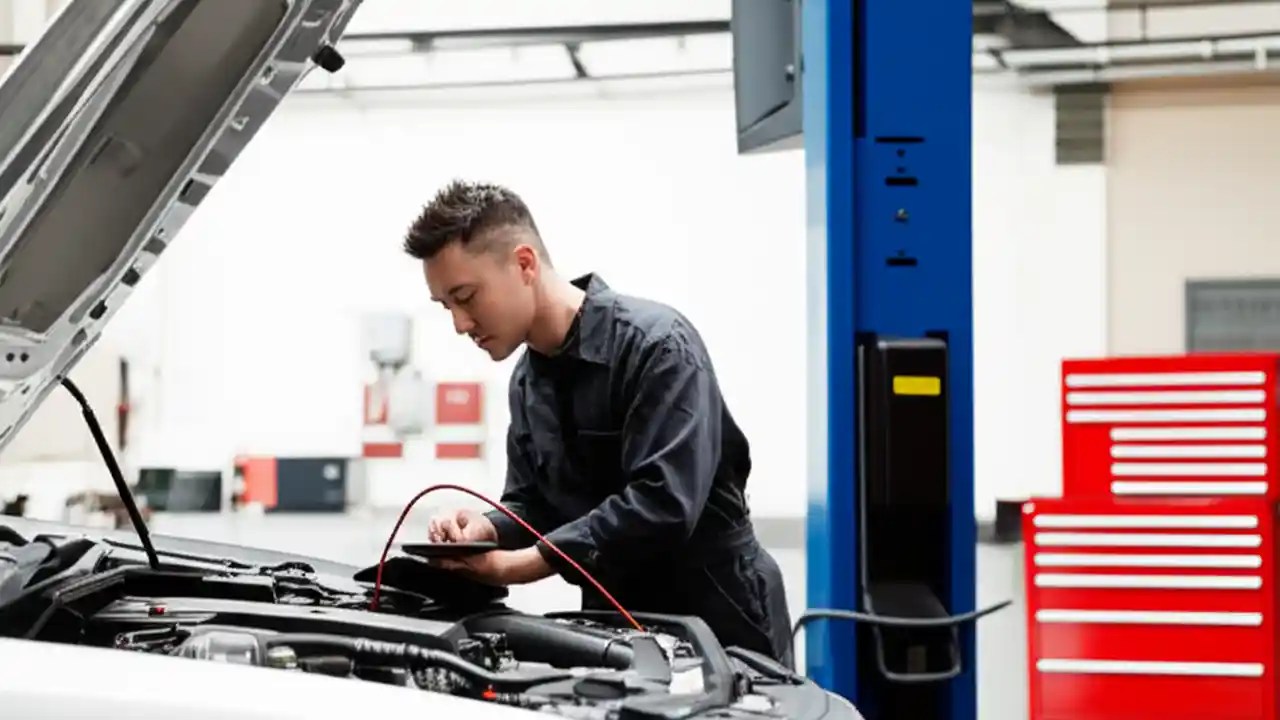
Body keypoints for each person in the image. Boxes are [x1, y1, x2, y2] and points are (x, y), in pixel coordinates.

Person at [402, 179, 793, 668]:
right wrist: (487, 528)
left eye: (467, 297)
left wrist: (523, 565)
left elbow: (663, 503)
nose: (460, 324)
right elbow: (532, 503)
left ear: (524, 264)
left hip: (718, 614)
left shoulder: (658, 346)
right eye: (447, 307)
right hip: (613, 619)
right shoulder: (527, 380)